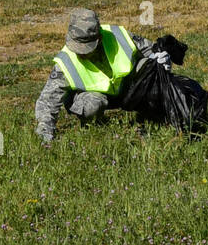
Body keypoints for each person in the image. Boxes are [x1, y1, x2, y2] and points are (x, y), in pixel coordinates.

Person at [34, 8, 171, 145]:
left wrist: (160, 58)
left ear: (99, 39)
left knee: (149, 66)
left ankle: (152, 115)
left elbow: (150, 49)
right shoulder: (66, 62)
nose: (81, 53)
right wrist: (45, 134)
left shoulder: (118, 36)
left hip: (125, 91)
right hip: (91, 98)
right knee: (93, 103)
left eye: (86, 48)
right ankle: (94, 124)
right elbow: (48, 101)